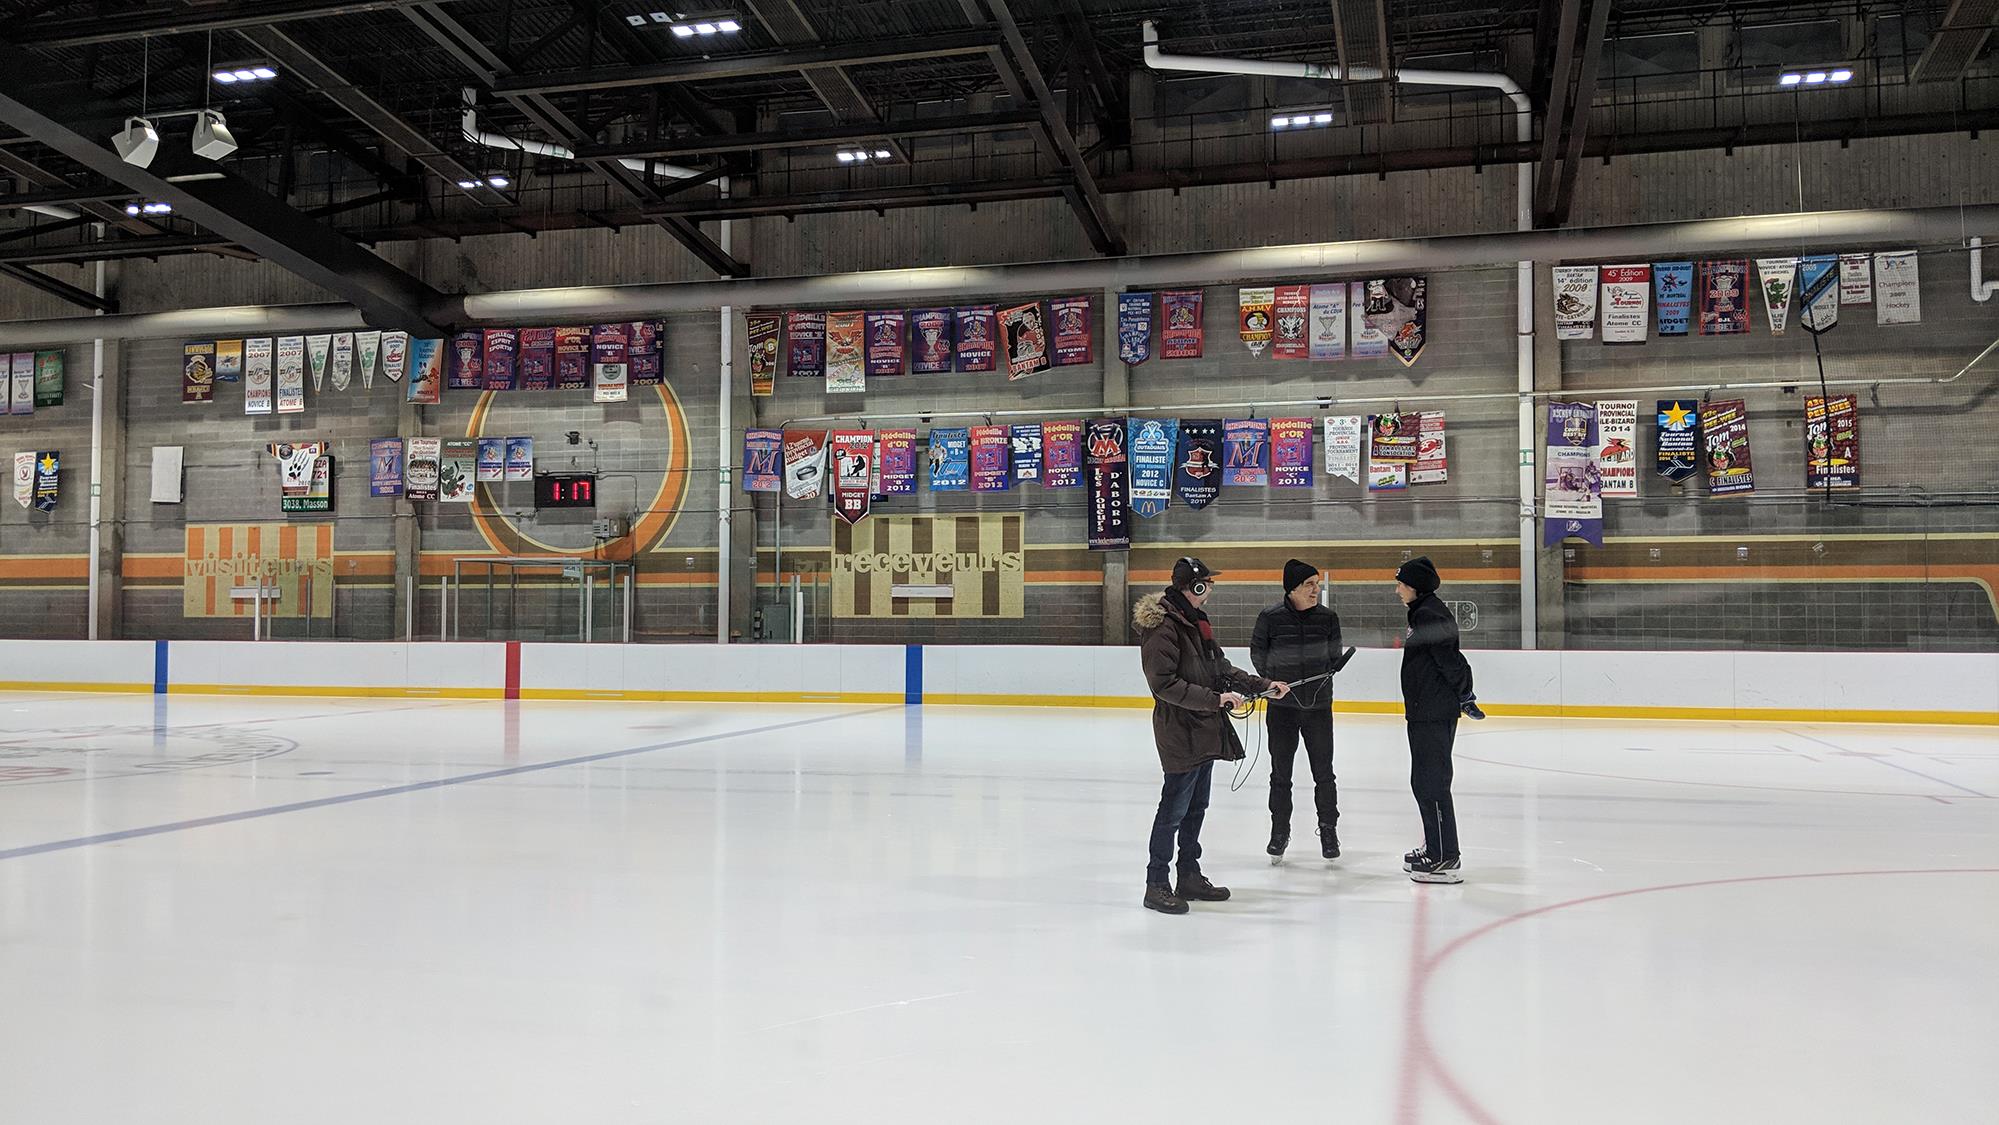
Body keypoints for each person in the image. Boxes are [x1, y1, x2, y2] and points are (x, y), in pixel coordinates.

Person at [1133, 557, 1288, 915]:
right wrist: (1216, 700)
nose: (1211, 591)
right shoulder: (1163, 627)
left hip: (1203, 728)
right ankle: (1156, 884)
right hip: (1180, 730)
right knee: (1172, 810)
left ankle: (1188, 874)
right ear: (1195, 587)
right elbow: (1164, 685)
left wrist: (1262, 686)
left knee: (1196, 807)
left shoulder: (1195, 623)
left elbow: (1218, 668)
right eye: (1207, 584)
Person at [1250, 559, 1348, 862]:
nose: (1316, 589)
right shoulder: (1270, 618)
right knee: (1280, 775)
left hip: (1318, 708)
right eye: (1309, 584)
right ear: (1292, 588)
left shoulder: (1328, 618)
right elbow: (1258, 655)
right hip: (1282, 709)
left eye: (1317, 583)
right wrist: (1272, 680)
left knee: (1324, 773)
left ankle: (1328, 830)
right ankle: (1279, 832)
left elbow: (1334, 656)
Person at [1394, 557, 1484, 884]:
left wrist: (1465, 694)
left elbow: (1450, 660)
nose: (1397, 590)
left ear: (1415, 586)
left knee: (1431, 782)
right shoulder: (1423, 612)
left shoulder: (1429, 614)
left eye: (1401, 584)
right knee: (1424, 782)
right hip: (1424, 710)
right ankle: (1435, 845)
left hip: (1432, 711)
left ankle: (1445, 856)